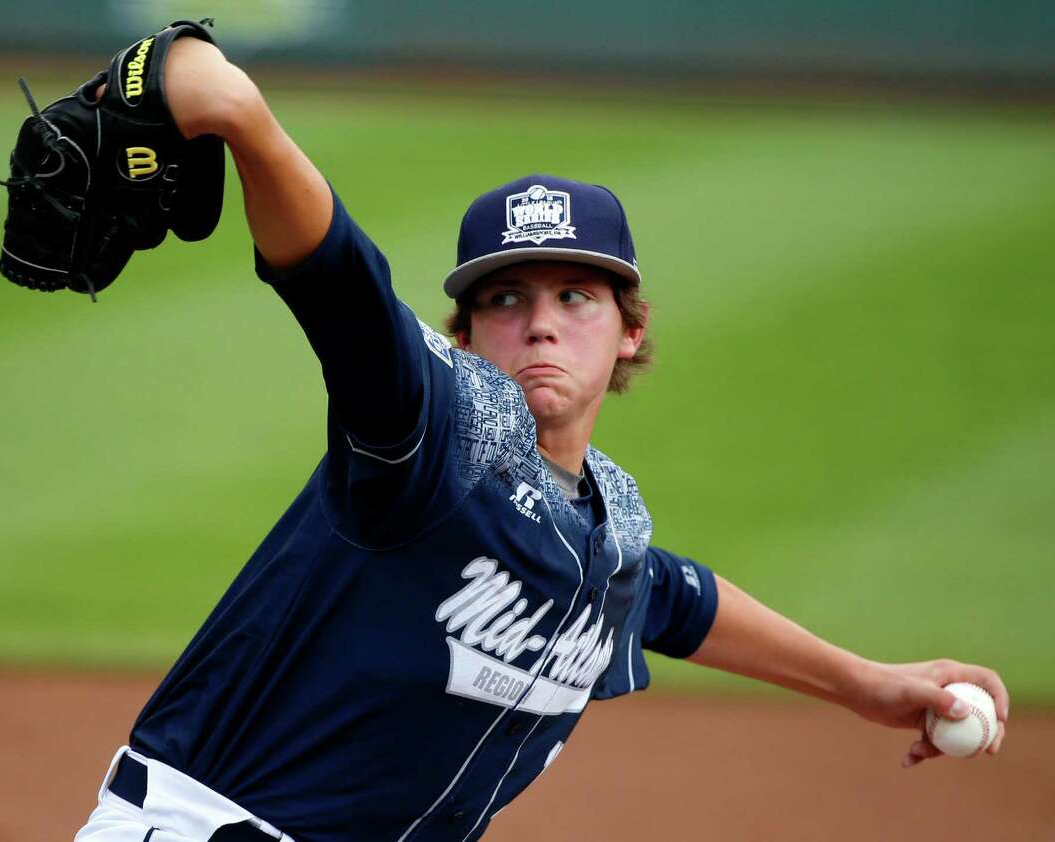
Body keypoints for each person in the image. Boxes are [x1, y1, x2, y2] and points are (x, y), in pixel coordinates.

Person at [75, 36, 1009, 842]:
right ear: (465, 336)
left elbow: (670, 599)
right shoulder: (428, 435)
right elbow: (343, 289)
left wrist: (863, 683)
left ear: (630, 329)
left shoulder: (605, 517)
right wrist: (239, 113)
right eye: (506, 299)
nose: (542, 324)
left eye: (576, 296)